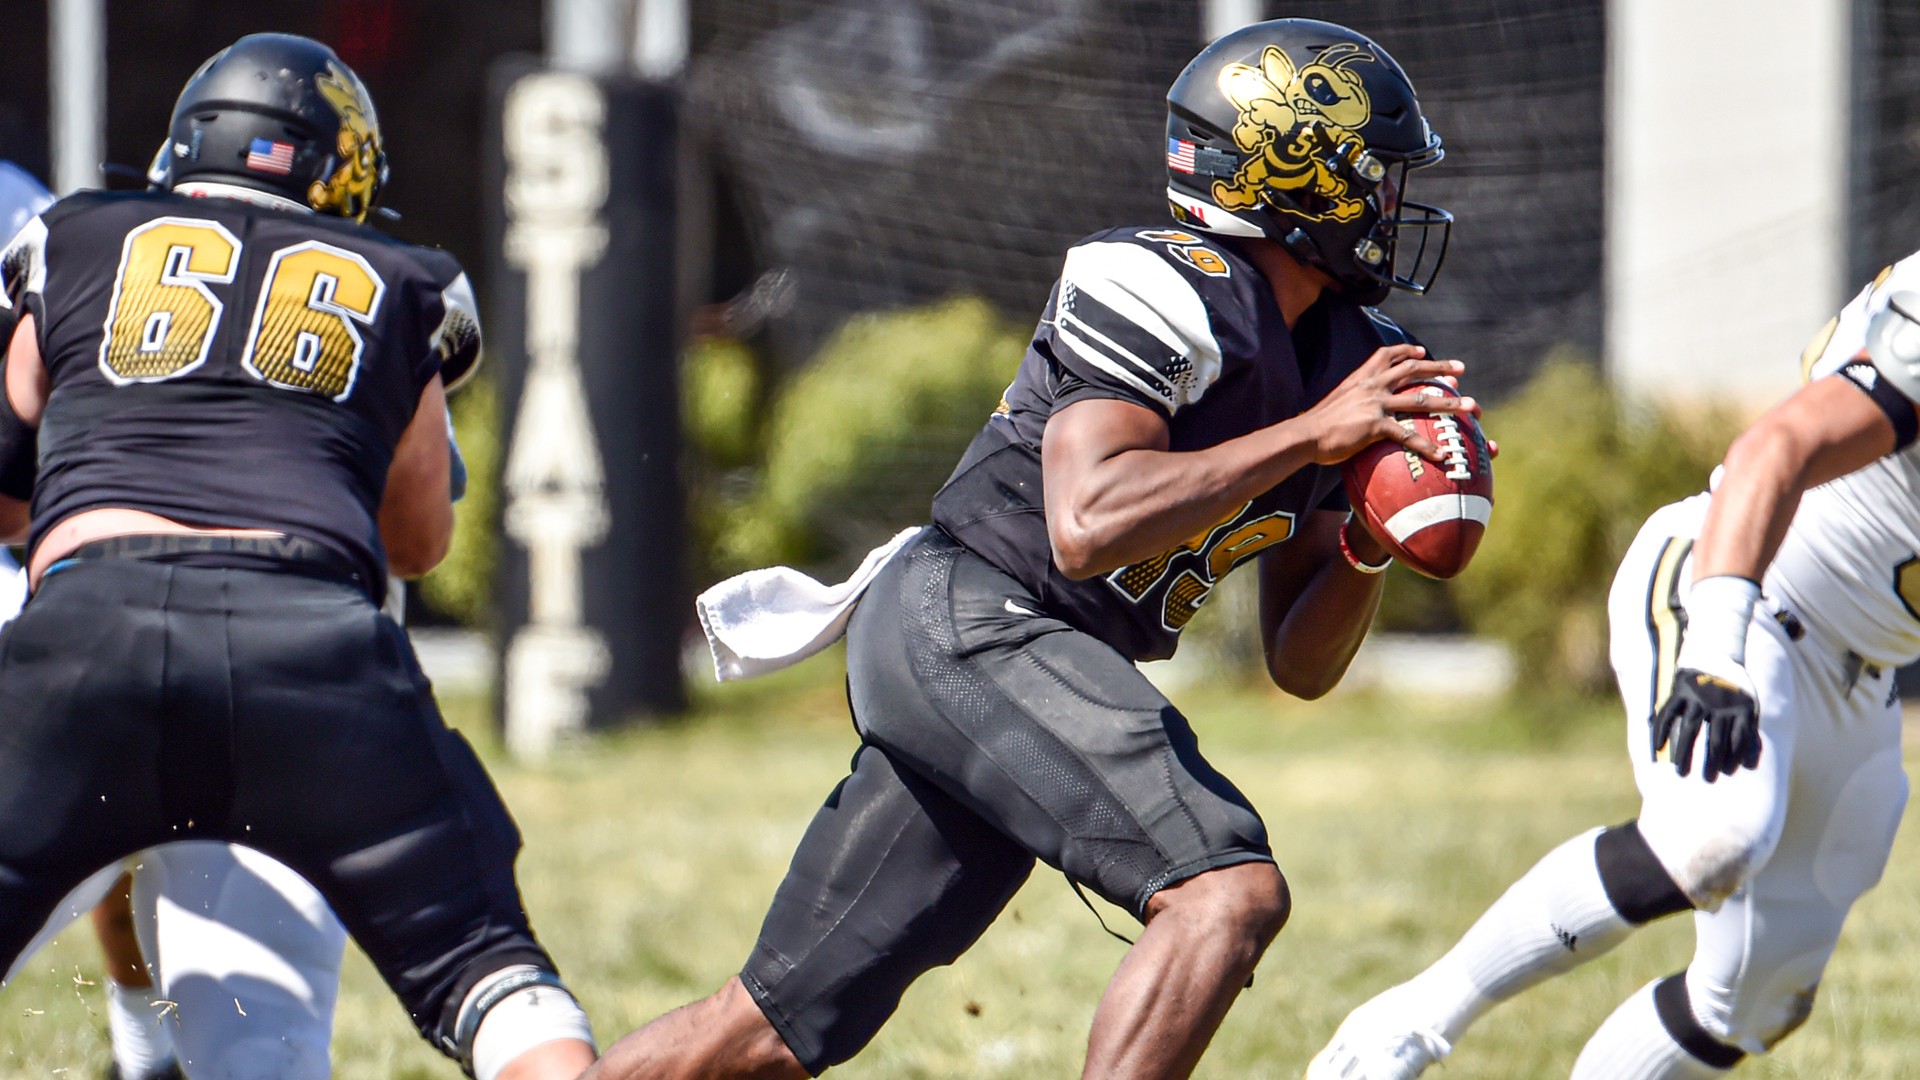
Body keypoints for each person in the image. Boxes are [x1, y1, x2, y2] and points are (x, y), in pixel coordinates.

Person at [587, 19, 1469, 1080]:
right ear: (1293, 173)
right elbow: (1087, 523)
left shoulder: (1350, 356)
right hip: (968, 619)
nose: (1391, 207)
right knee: (1226, 890)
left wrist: (1369, 540)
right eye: (1374, 177)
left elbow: (1299, 664)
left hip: (1022, 655)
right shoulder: (1159, 283)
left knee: (764, 1032)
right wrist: (1310, 437)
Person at [0, 34, 594, 1080]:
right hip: (310, 653)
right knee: (481, 976)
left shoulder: (74, 237)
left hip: (88, 636)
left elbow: (10, 500)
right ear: (346, 172)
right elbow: (416, 543)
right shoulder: (405, 281)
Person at [1305, 263, 1920, 1078]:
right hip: (1743, 589)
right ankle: (1413, 1022)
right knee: (1713, 834)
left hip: (1865, 672)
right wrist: (1717, 647)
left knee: (1755, 998)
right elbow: (1775, 447)